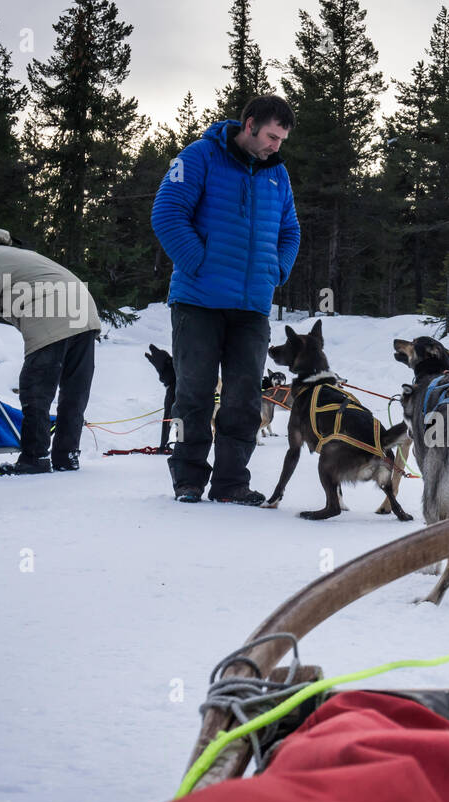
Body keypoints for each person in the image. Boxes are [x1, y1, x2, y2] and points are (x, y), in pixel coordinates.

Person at [150, 94, 301, 504]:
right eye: (271, 136)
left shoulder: (277, 175)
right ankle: (188, 478)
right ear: (249, 124)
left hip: (251, 307)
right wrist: (199, 262)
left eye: (282, 140)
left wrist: (277, 269)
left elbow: (290, 232)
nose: (276, 146)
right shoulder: (200, 156)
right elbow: (166, 213)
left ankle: (232, 482)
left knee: (245, 397)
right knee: (193, 394)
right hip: (198, 301)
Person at [0, 228, 100, 474]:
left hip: (54, 312)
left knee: (35, 388)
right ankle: (67, 455)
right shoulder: (10, 254)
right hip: (84, 312)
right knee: (73, 392)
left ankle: (35, 458)